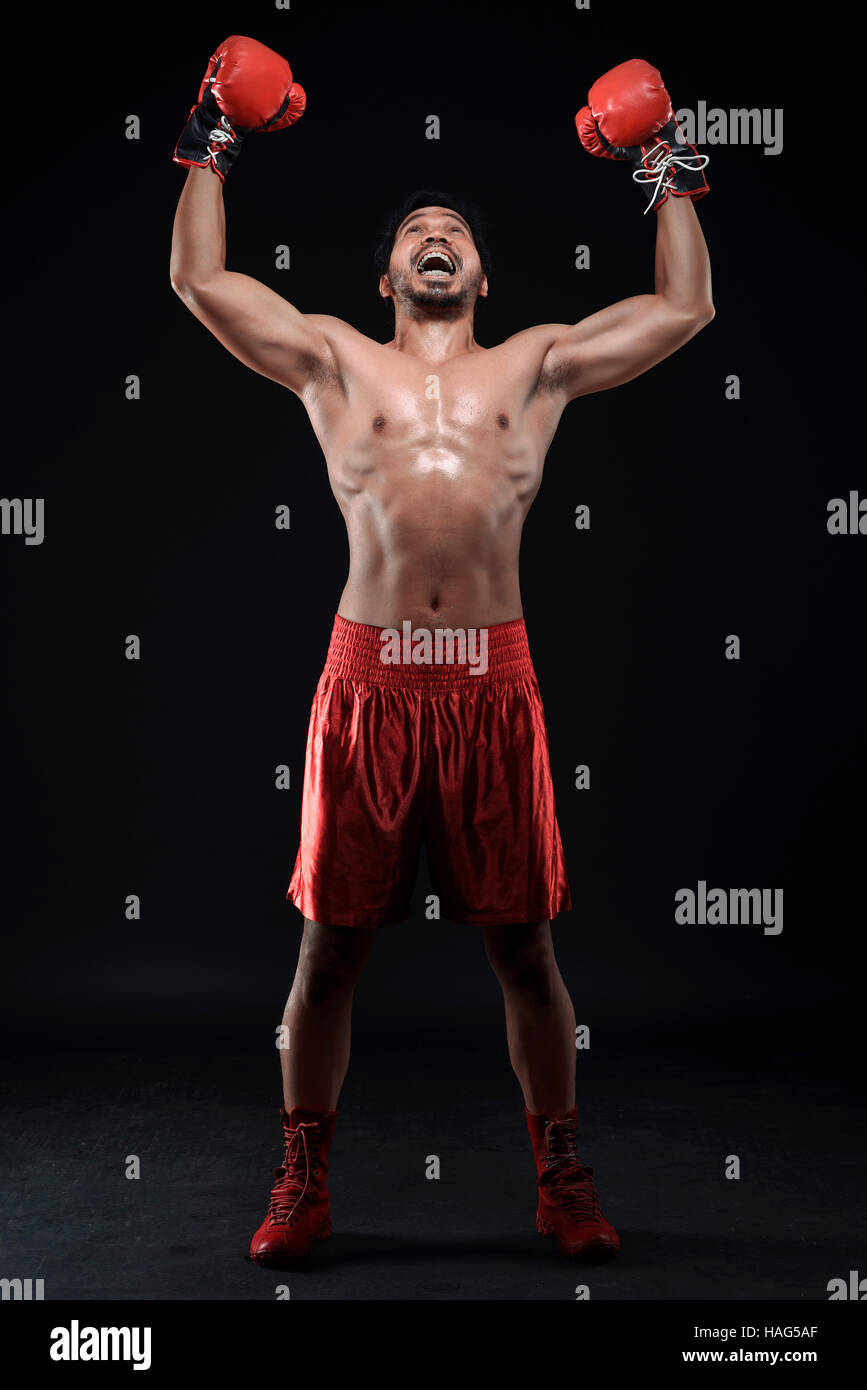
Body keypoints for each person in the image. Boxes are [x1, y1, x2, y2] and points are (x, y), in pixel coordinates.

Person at [170, 38, 713, 1266]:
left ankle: (560, 1177)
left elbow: (687, 309)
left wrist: (666, 165)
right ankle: (303, 1173)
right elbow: (201, 281)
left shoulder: (536, 366)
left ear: (479, 273)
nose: (435, 236)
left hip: (490, 685)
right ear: (386, 280)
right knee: (332, 946)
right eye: (415, 229)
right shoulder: (329, 357)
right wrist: (211, 135)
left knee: (526, 946)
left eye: (452, 231)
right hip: (364, 682)